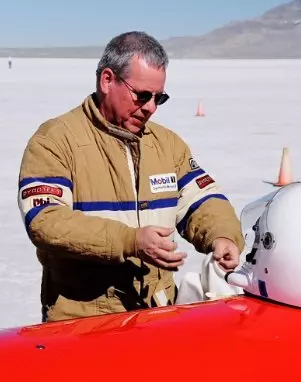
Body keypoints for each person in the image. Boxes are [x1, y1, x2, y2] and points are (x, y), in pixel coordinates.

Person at [17, 31, 245, 322]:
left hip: (157, 312)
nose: (150, 107)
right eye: (142, 96)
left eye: (158, 98)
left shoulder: (166, 145)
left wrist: (222, 235)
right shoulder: (56, 140)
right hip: (83, 319)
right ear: (107, 80)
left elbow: (202, 199)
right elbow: (46, 220)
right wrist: (130, 241)